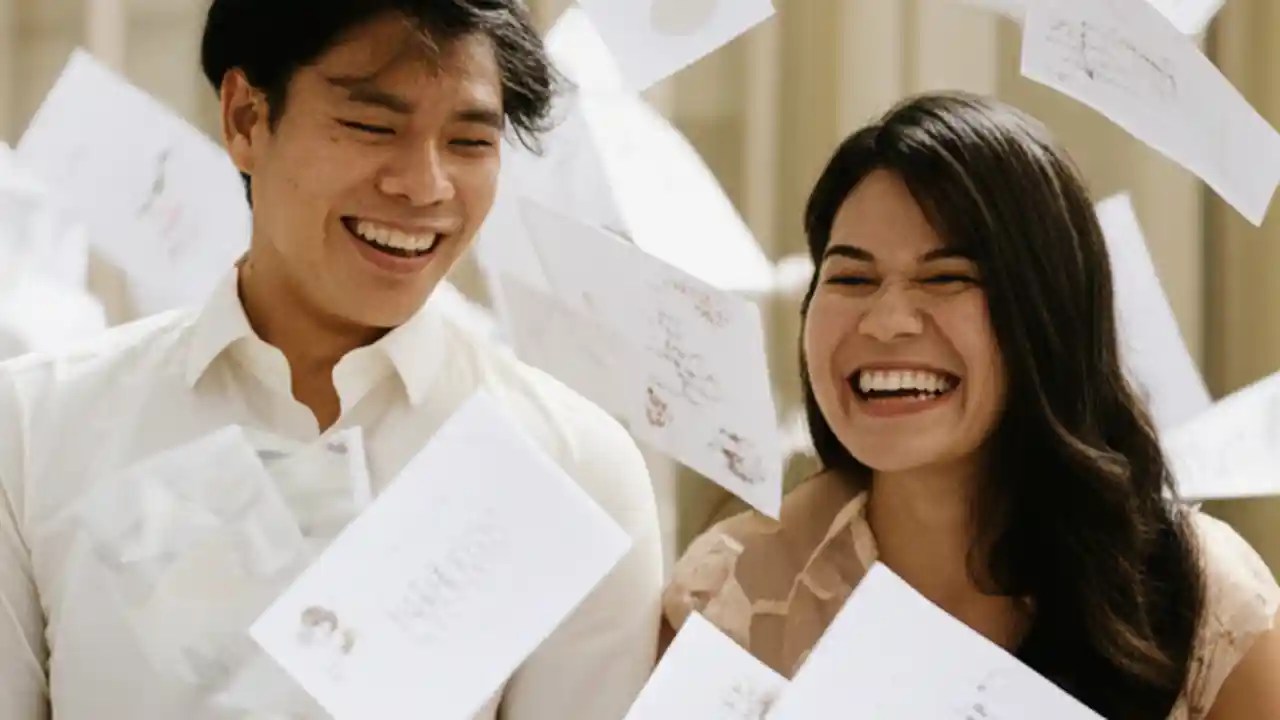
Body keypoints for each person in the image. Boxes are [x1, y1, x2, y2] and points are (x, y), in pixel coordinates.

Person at [0, 2, 663, 718]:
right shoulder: (35, 429)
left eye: (470, 141)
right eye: (373, 126)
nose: (425, 185)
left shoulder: (574, 471)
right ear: (247, 120)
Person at [662, 92, 1280, 719]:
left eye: (945, 277)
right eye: (851, 278)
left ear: (1048, 313)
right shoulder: (728, 594)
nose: (887, 320)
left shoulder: (1203, 599)